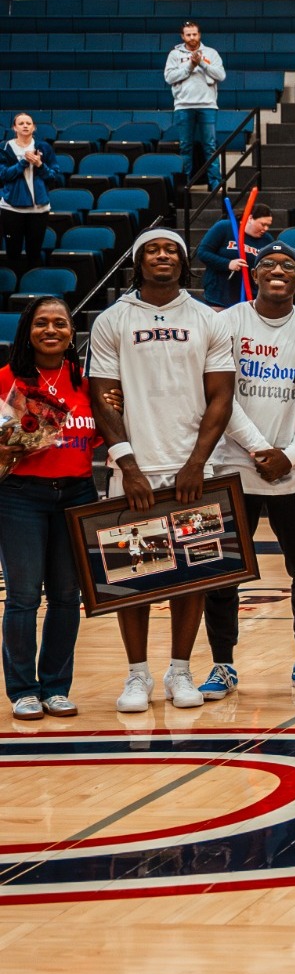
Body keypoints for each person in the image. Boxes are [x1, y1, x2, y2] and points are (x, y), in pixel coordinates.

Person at [88, 229, 236, 713]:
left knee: (192, 575)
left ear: (184, 262)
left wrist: (196, 463)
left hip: (195, 467)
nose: (163, 255)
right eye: (153, 249)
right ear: (137, 261)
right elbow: (103, 397)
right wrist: (126, 464)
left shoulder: (207, 319)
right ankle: (137, 676)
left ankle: (180, 671)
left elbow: (221, 397)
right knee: (134, 576)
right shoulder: (113, 320)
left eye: (172, 249)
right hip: (135, 468)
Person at [202, 244, 295, 699]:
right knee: (221, 575)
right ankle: (222, 665)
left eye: (289, 267)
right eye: (269, 266)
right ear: (254, 275)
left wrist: (292, 455)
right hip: (235, 466)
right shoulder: (227, 322)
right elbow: (218, 394)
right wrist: (261, 449)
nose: (278, 271)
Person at [0, 298, 97, 719]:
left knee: (65, 596)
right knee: (22, 597)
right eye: (42, 323)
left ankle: (56, 687)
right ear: (29, 330)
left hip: (77, 493)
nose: (51, 329)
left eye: (60, 322)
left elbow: (102, 436)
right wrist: (15, 441)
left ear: (72, 332)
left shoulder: (86, 380)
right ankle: (23, 689)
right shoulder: (6, 379)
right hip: (21, 495)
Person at [165, 21, 227, 192]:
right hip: (183, 105)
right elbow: (169, 78)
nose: (192, 38)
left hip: (207, 105)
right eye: (188, 34)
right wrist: (190, 66)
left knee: (210, 145)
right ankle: (186, 183)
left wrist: (202, 63)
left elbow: (221, 75)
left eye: (194, 34)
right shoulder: (175, 55)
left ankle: (215, 183)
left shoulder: (211, 53)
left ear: (199, 35)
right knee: (186, 146)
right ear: (182, 36)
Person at [0, 113, 60, 275]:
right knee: (13, 252)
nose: (25, 126)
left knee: (35, 252)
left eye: (28, 123)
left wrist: (39, 164)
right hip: (12, 208)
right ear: (14, 128)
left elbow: (53, 176)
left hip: (39, 209)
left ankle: (34, 288)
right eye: (21, 123)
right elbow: (4, 175)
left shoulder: (44, 148)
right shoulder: (5, 148)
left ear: (34, 127)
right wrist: (24, 163)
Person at [196, 202, 273, 309]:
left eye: (268, 225)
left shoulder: (267, 240)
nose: (266, 229)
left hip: (249, 298)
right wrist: (228, 264)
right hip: (219, 295)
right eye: (263, 224)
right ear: (250, 218)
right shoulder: (224, 227)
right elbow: (203, 252)